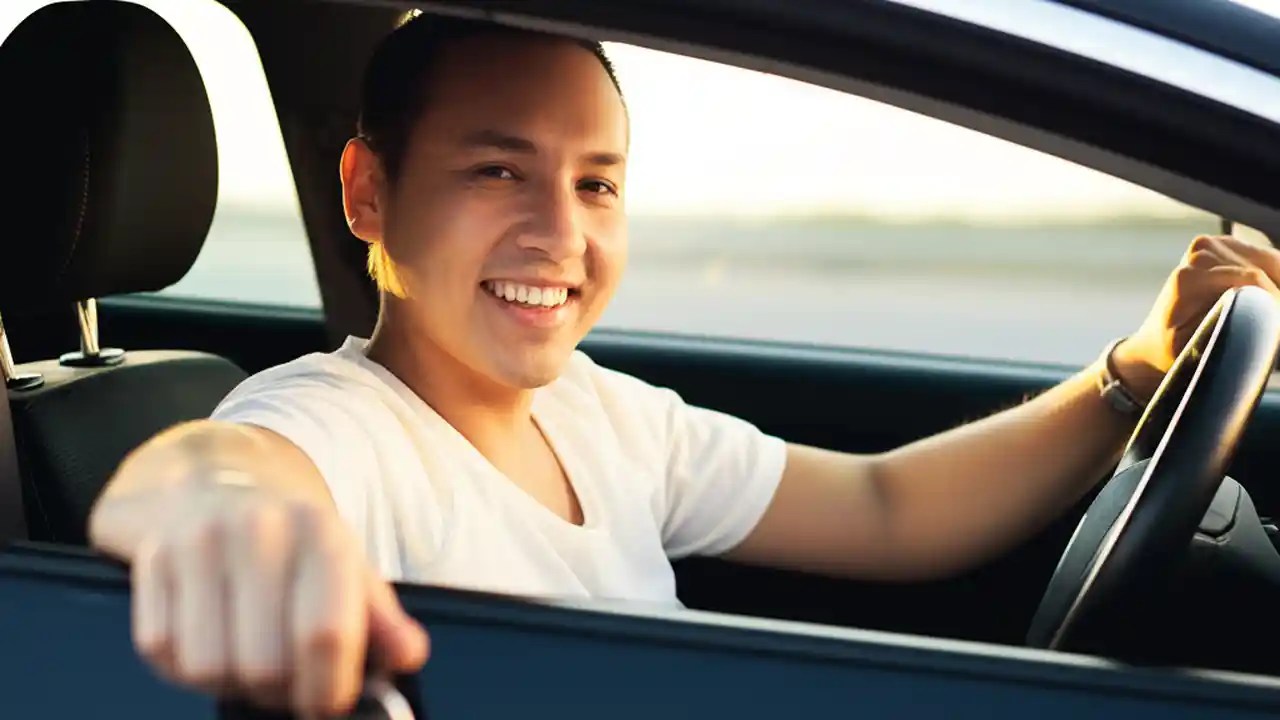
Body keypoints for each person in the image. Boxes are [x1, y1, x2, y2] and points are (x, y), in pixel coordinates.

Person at [86, 11, 1280, 717]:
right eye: (497, 171)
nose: (560, 233)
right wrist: (228, 517)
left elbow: (885, 507)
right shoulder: (339, 420)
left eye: (596, 182)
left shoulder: (603, 417)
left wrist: (1134, 365)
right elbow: (216, 469)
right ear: (367, 191)